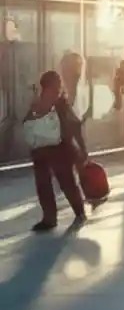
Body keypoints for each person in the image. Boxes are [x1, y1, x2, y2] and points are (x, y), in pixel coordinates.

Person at [24, 70, 88, 231]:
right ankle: (71, 214)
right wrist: (81, 147)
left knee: (54, 183)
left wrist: (81, 147)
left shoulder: (43, 104)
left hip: (50, 150)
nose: (57, 88)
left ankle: (56, 217)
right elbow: (75, 126)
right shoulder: (54, 104)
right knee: (58, 183)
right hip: (52, 149)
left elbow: (27, 125)